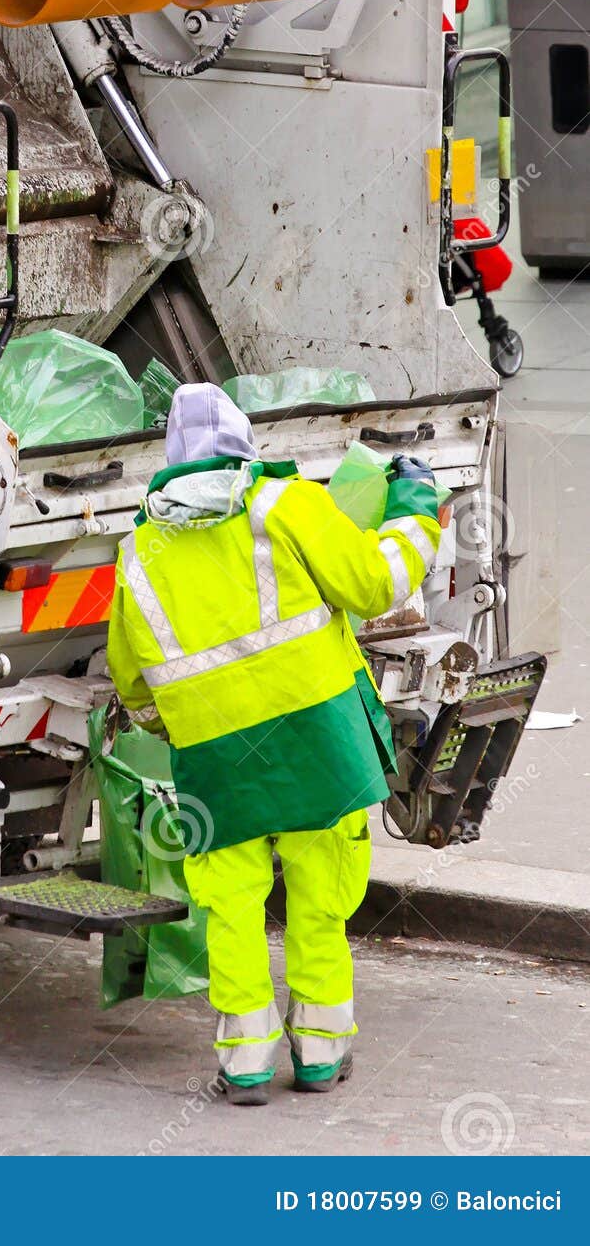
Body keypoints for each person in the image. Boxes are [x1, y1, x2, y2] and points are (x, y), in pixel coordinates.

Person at [106, 382, 441, 1104]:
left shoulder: (138, 550)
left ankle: (245, 1064)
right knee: (321, 899)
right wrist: (417, 509)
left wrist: (179, 723)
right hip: (317, 740)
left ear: (170, 462)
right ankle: (321, 1054)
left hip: (215, 759)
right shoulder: (284, 505)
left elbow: (131, 682)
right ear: (244, 446)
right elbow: (377, 582)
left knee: (231, 908)